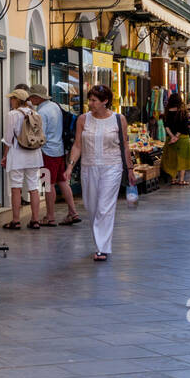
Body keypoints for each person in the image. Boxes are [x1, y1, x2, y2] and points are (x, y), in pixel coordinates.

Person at [65, 84, 135, 262]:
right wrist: (70, 167)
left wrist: (130, 169)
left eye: (94, 100)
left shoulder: (119, 119)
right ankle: (100, 242)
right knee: (91, 206)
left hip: (112, 166)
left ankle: (102, 247)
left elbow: (125, 145)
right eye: (90, 100)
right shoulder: (83, 119)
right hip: (89, 167)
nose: (90, 103)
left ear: (105, 101)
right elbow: (77, 145)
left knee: (105, 206)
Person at [27, 84, 80, 225]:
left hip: (46, 152)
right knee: (63, 181)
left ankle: (50, 217)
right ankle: (73, 212)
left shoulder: (42, 112)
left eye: (32, 96)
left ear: (37, 97)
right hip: (59, 150)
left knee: (47, 185)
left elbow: (39, 135)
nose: (30, 99)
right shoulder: (55, 106)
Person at [1, 88, 44, 230]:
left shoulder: (12, 114)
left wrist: (5, 155)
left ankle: (16, 220)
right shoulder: (35, 113)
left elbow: (8, 138)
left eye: (12, 98)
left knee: (16, 188)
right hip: (34, 154)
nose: (10, 101)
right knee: (34, 187)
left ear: (16, 100)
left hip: (17, 154)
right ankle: (35, 220)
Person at [161, 93, 190, 185]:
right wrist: (176, 137)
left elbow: (166, 126)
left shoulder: (167, 112)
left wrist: (172, 136)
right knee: (182, 160)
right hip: (182, 139)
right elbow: (183, 127)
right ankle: (181, 180)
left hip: (169, 138)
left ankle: (173, 179)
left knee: (172, 159)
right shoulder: (183, 112)